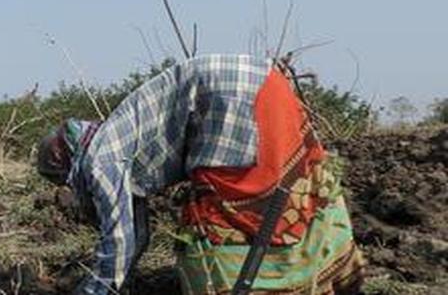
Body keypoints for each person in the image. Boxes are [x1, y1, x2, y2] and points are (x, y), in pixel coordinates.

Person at [37, 54, 365, 295]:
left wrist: (93, 290)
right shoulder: (117, 136)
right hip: (270, 85)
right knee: (294, 191)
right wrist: (119, 278)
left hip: (238, 104)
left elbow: (119, 239)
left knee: (218, 229)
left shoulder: (100, 158)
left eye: (60, 178)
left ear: (62, 159)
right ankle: (327, 276)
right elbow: (135, 233)